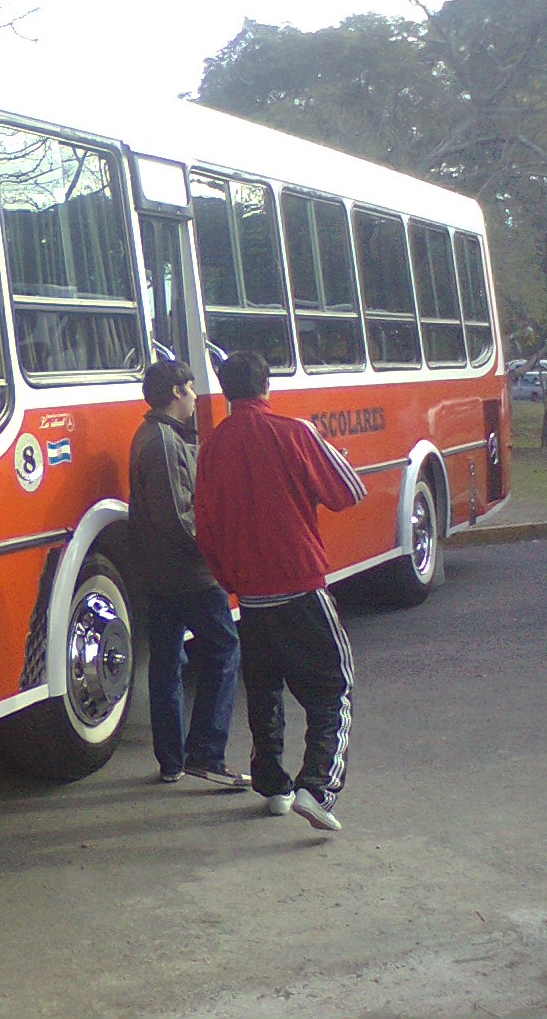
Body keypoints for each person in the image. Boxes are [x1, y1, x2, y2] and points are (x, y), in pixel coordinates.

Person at [194, 351, 366, 832]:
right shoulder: (295, 432)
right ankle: (318, 786)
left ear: (226, 392)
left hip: (249, 595)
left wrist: (232, 579)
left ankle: (274, 786)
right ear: (267, 386)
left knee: (265, 691)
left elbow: (204, 529)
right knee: (334, 686)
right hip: (301, 586)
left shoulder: (210, 448)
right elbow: (348, 491)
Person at [128, 359, 249, 790]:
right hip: (188, 574)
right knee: (224, 649)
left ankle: (172, 761)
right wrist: (215, 552)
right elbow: (178, 518)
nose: (197, 395)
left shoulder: (157, 435)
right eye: (192, 388)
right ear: (177, 391)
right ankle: (206, 753)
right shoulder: (162, 442)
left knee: (167, 664)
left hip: (160, 573)